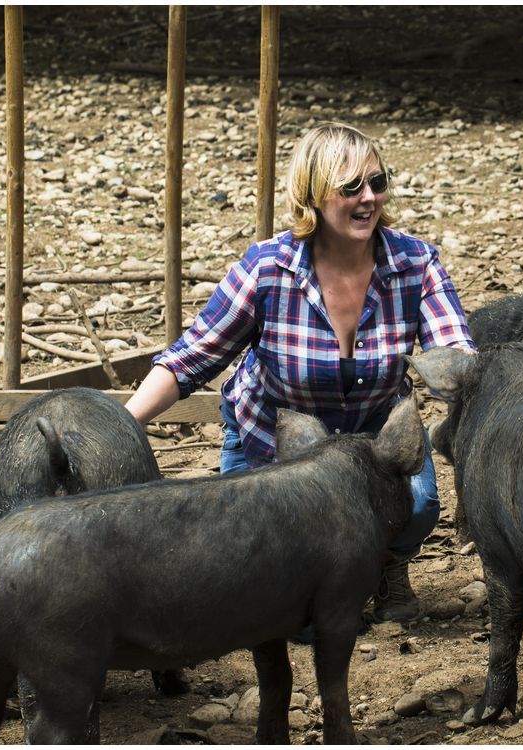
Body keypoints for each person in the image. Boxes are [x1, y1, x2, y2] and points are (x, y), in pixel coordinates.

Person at [125, 121, 475, 624]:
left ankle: (386, 564)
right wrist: (123, 423)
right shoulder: (268, 267)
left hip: (374, 438)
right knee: (262, 546)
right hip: (273, 439)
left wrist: (478, 395)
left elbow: (454, 353)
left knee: (417, 506)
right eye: (351, 187)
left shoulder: (414, 262)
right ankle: (303, 583)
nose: (369, 198)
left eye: (377, 183)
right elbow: (192, 357)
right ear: (312, 192)